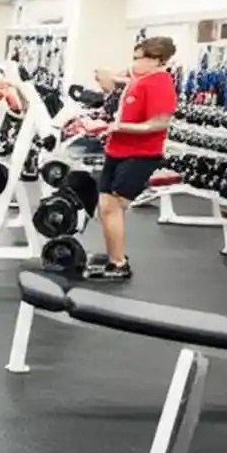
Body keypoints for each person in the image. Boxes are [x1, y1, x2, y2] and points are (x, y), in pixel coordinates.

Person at [88, 36, 179, 281]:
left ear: (157, 60)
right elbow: (114, 78)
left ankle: (118, 265)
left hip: (141, 154)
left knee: (115, 207)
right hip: (117, 150)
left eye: (139, 59)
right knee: (105, 208)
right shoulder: (139, 78)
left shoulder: (160, 82)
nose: (134, 63)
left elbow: (159, 123)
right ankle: (113, 256)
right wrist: (105, 77)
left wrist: (120, 127)